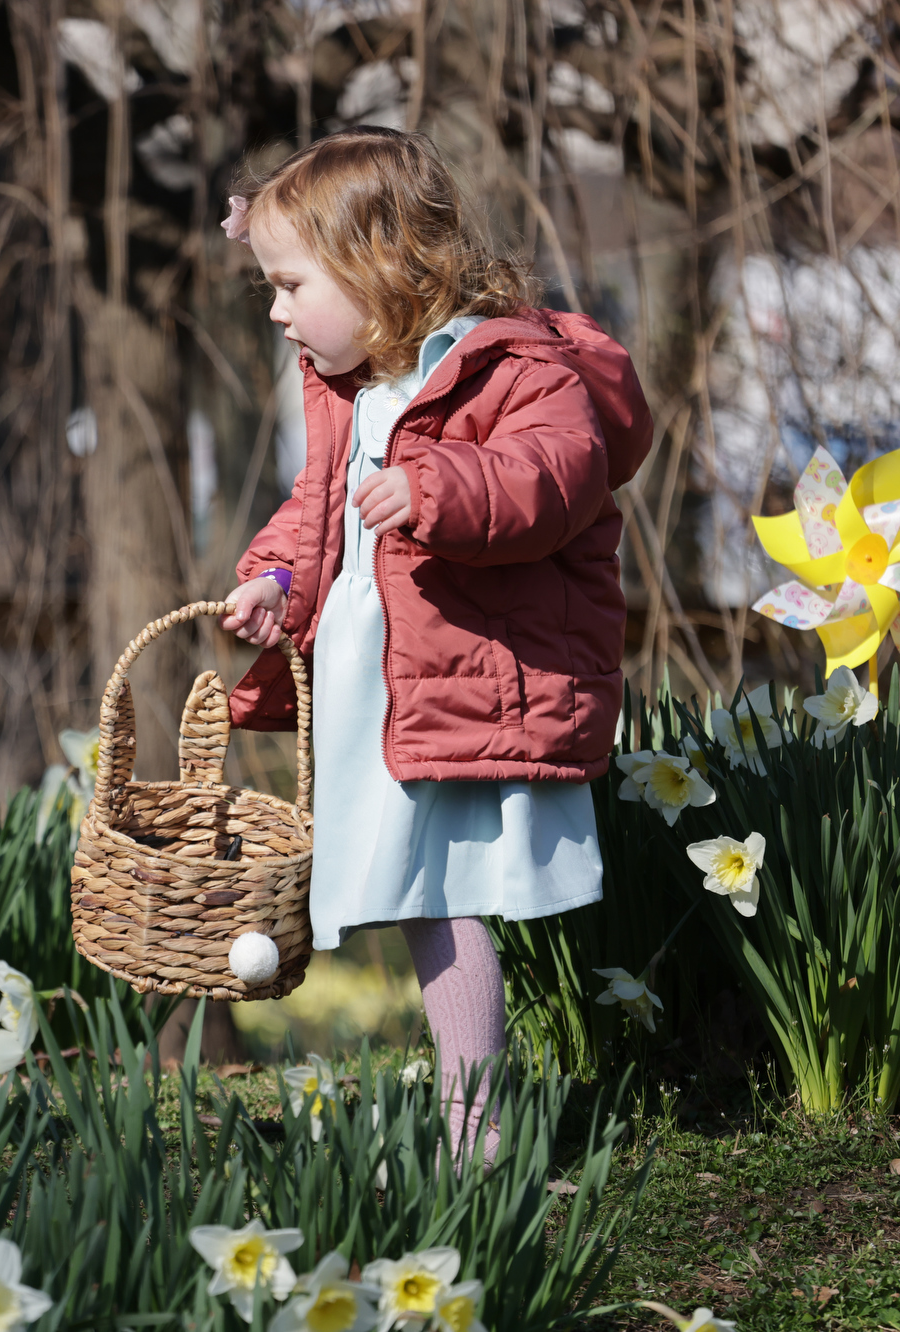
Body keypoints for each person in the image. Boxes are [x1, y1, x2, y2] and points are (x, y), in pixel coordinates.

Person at [219, 127, 652, 1160]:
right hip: (384, 687)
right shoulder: (355, 390)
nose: (276, 311)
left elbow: (554, 474)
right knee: (425, 902)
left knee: (441, 896)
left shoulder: (511, 367)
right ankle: (472, 1122)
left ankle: (476, 1131)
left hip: (454, 683)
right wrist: (274, 580)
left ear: (377, 266)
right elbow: (318, 510)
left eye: (290, 285)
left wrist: (434, 488)